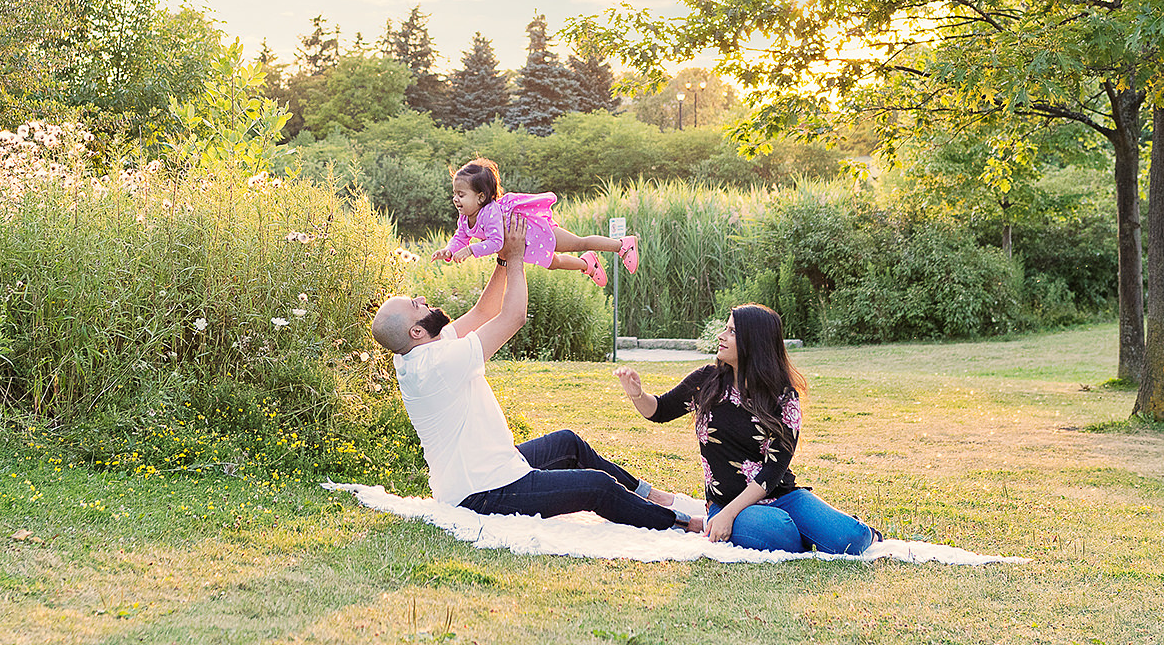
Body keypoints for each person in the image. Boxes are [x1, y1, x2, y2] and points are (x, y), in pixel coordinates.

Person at [371, 215, 696, 532]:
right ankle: (685, 524)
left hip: (495, 466)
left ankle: (652, 496)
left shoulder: (418, 354)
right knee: (596, 487)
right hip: (482, 493)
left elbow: (485, 312)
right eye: (415, 305)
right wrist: (514, 258)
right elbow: (514, 317)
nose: (423, 299)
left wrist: (501, 259)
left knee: (567, 443)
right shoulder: (437, 365)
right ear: (416, 331)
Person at [613, 303, 876, 555]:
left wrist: (730, 515)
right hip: (726, 503)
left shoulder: (784, 397)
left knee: (851, 540)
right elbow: (659, 410)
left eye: (732, 331)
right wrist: (638, 394)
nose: (721, 335)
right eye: (725, 329)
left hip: (781, 495)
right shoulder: (707, 381)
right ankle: (792, 532)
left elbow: (774, 469)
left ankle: (841, 529)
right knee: (778, 531)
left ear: (755, 342)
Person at [433, 157, 639, 288]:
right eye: (454, 194)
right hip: (526, 245)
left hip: (538, 234)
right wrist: (449, 250)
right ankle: (588, 264)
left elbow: (496, 242)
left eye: (461, 194)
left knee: (579, 243)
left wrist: (470, 251)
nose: (455, 199)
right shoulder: (465, 217)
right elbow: (460, 237)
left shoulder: (490, 212)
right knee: (554, 264)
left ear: (480, 197)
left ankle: (622, 245)